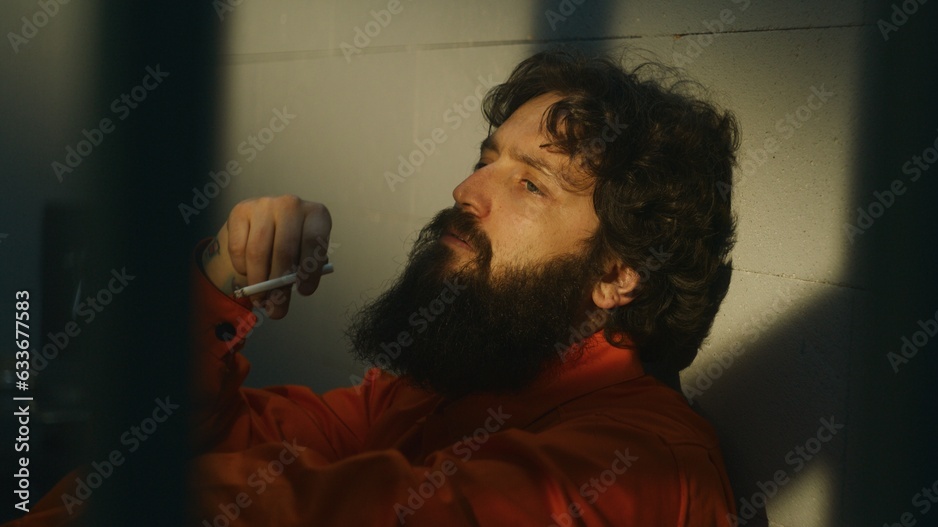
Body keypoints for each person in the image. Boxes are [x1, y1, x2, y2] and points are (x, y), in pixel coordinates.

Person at [12, 49, 739, 526]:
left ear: (618, 273)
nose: (465, 190)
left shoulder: (642, 465)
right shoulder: (440, 390)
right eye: (485, 158)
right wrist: (225, 279)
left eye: (530, 182)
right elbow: (168, 438)